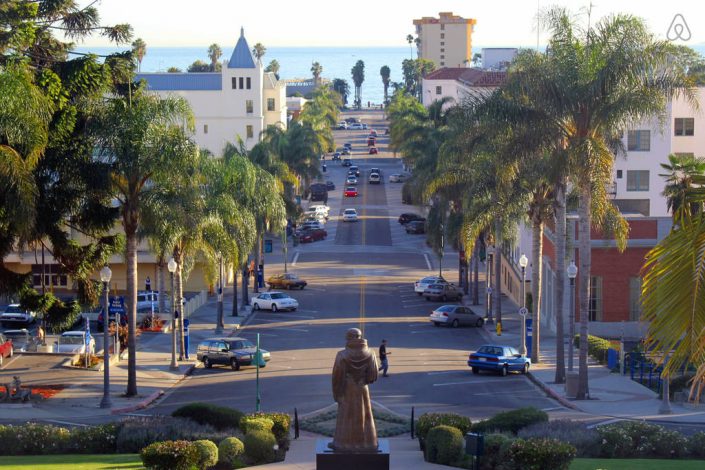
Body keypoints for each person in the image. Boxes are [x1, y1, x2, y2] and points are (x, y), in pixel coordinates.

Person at [329, 328, 379, 452]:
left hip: (347, 389)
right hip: (362, 388)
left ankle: (342, 443)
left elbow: (336, 377)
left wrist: (337, 394)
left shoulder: (342, 355)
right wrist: (363, 380)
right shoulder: (370, 353)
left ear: (349, 338)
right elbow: (373, 375)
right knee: (365, 415)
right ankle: (368, 443)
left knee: (346, 416)